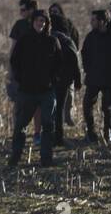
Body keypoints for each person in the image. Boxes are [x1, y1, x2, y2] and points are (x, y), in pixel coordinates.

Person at [8, 9, 63, 167]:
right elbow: (15, 61)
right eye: (39, 21)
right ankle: (15, 157)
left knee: (48, 126)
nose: (41, 24)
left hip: (47, 91)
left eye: (44, 21)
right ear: (33, 22)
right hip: (27, 91)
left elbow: (59, 64)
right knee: (20, 126)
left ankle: (46, 159)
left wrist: (53, 80)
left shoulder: (52, 42)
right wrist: (20, 79)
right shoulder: (24, 40)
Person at [81, 8, 111, 145]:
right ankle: (91, 133)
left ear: (102, 21)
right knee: (86, 105)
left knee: (108, 109)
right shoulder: (91, 37)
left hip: (110, 80)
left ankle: (109, 134)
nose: (91, 22)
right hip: (93, 79)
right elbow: (84, 54)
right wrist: (88, 70)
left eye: (94, 19)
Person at [49, 10, 83, 148]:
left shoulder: (48, 38)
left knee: (50, 109)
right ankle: (58, 137)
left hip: (49, 80)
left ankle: (48, 136)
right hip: (64, 80)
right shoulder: (67, 41)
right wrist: (77, 79)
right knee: (59, 110)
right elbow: (75, 61)